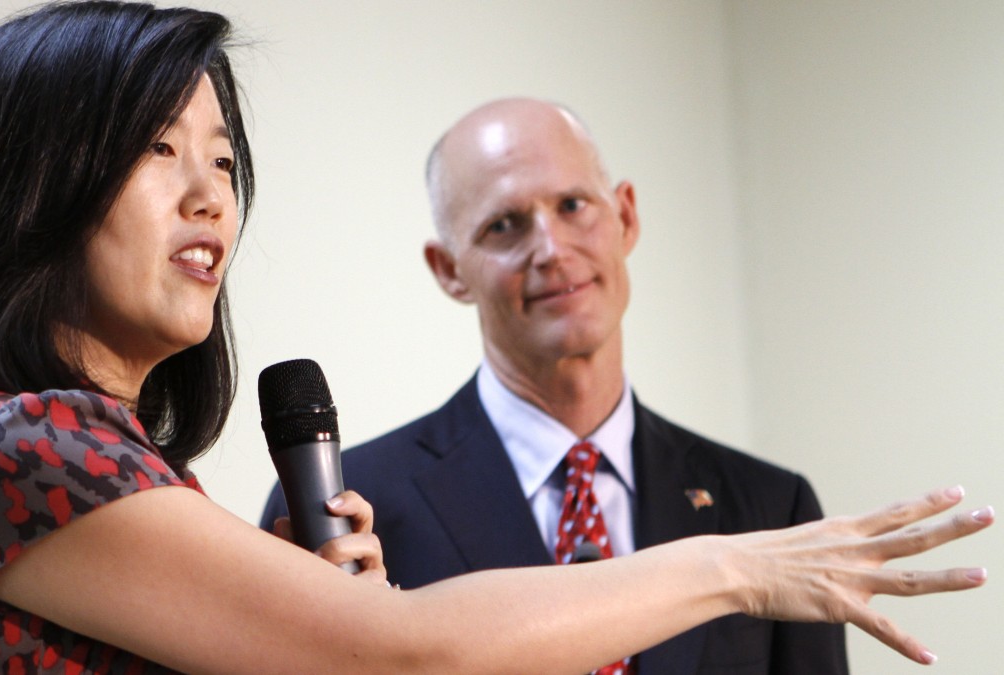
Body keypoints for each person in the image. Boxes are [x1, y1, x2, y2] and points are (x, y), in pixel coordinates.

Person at [0, 3, 991, 673]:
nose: (211, 198)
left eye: (222, 159)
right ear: (28, 186)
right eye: (159, 150)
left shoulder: (98, 458)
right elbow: (414, 651)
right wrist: (733, 568)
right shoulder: (19, 448)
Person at [258, 98, 873, 672]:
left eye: (573, 206)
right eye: (504, 225)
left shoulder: (768, 509)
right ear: (449, 270)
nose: (551, 249)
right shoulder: (342, 511)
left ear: (626, 215)